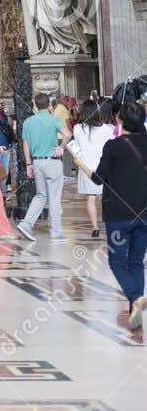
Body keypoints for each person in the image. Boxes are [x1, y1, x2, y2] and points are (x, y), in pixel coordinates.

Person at [92, 99, 147, 329]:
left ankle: (135, 299)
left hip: (119, 214)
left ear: (120, 119)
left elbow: (99, 178)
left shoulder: (113, 146)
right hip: (144, 212)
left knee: (117, 261)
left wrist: (87, 169)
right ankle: (134, 308)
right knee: (136, 261)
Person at [17, 93, 70, 243]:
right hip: (52, 162)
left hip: (37, 162)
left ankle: (26, 224)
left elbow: (25, 144)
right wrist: (61, 147)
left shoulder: (28, 122)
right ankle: (56, 233)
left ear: (35, 105)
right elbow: (68, 133)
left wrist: (28, 164)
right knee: (54, 197)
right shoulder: (54, 119)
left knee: (40, 195)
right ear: (49, 105)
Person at [70, 97, 112, 239]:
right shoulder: (108, 129)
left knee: (91, 198)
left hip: (86, 167)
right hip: (104, 168)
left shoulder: (77, 129)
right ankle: (108, 224)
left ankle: (95, 228)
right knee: (106, 199)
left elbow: (76, 146)